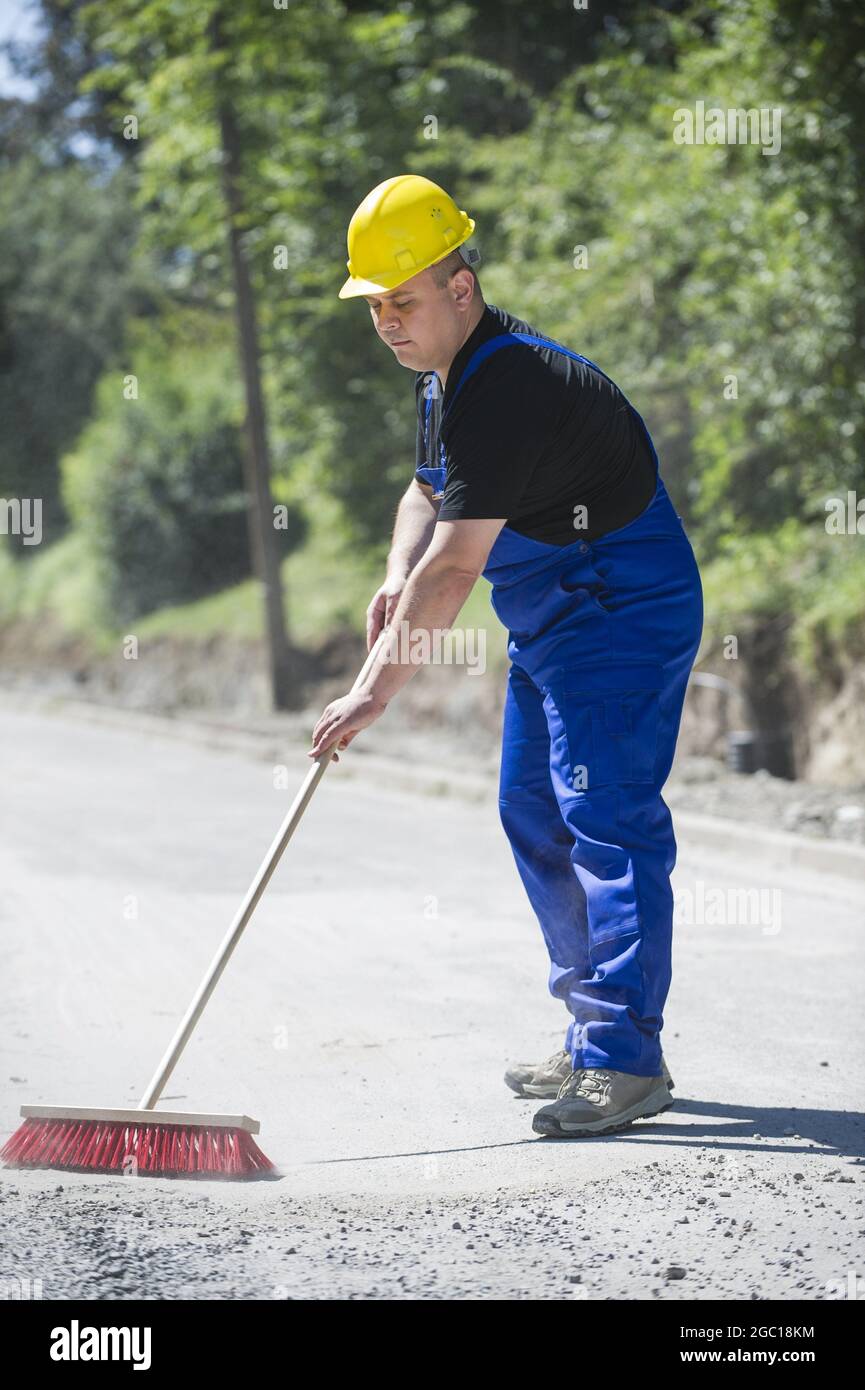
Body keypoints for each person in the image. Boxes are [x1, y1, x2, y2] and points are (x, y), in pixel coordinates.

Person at [309, 174, 704, 1137]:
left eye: (404, 300)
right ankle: (588, 1029)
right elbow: (425, 496)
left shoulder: (512, 383)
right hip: (551, 620)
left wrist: (370, 693)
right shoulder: (447, 377)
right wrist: (393, 569)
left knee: (605, 818)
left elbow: (456, 571)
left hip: (617, 609)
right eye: (376, 306)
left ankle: (624, 1060)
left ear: (460, 285)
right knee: (531, 807)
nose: (390, 323)